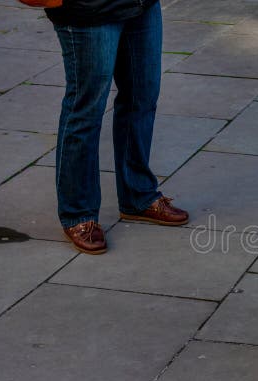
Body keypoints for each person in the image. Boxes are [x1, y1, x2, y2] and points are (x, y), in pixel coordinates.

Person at [44, 0, 188, 255]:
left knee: (142, 97)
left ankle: (138, 195)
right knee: (86, 109)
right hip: (88, 11)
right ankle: (78, 213)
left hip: (141, 5)